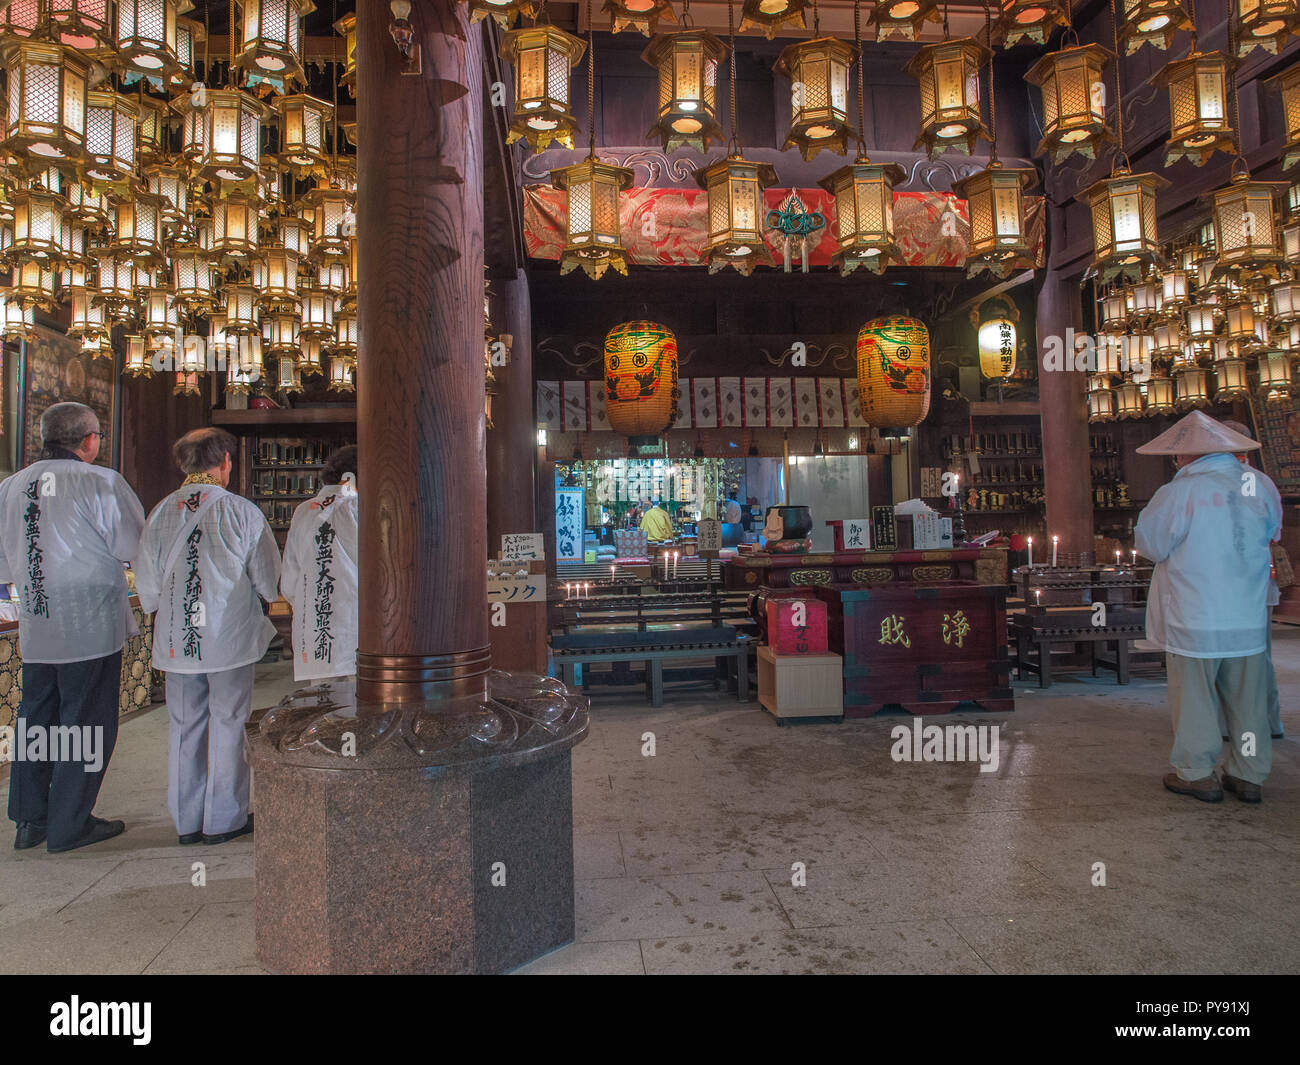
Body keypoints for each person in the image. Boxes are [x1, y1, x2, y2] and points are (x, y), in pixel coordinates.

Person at [0, 402, 145, 853]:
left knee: (37, 716)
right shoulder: (100, 481)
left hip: (39, 618)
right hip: (89, 618)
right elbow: (133, 545)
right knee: (86, 719)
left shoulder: (10, 486)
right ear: (88, 441)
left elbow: (5, 559)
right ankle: (69, 824)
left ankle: (31, 821)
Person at [134, 428, 281, 845]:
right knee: (230, 721)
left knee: (184, 726)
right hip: (227, 635)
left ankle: (186, 821)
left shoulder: (161, 511)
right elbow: (269, 582)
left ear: (185, 465)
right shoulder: (241, 511)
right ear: (225, 464)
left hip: (178, 639)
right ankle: (224, 819)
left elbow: (146, 586)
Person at [1135, 411, 1281, 804]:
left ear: (1189, 456)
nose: (1176, 460)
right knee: (1247, 703)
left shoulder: (1180, 492)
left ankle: (1198, 772)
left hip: (1195, 614)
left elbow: (1150, 544)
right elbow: (1273, 532)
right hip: (1246, 614)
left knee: (1196, 699)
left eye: (1178, 454)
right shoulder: (1260, 485)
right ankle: (1249, 775)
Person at [1221, 420, 1284, 740]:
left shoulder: (1208, 483)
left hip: (1221, 584)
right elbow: (1275, 532)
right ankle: (1267, 723)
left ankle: (1230, 724)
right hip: (1257, 580)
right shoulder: (1263, 482)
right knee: (1259, 655)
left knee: (1223, 657)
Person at [281, 446, 358, 682]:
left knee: (323, 701)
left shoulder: (304, 511)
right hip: (356, 620)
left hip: (315, 619)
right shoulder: (359, 507)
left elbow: (290, 578)